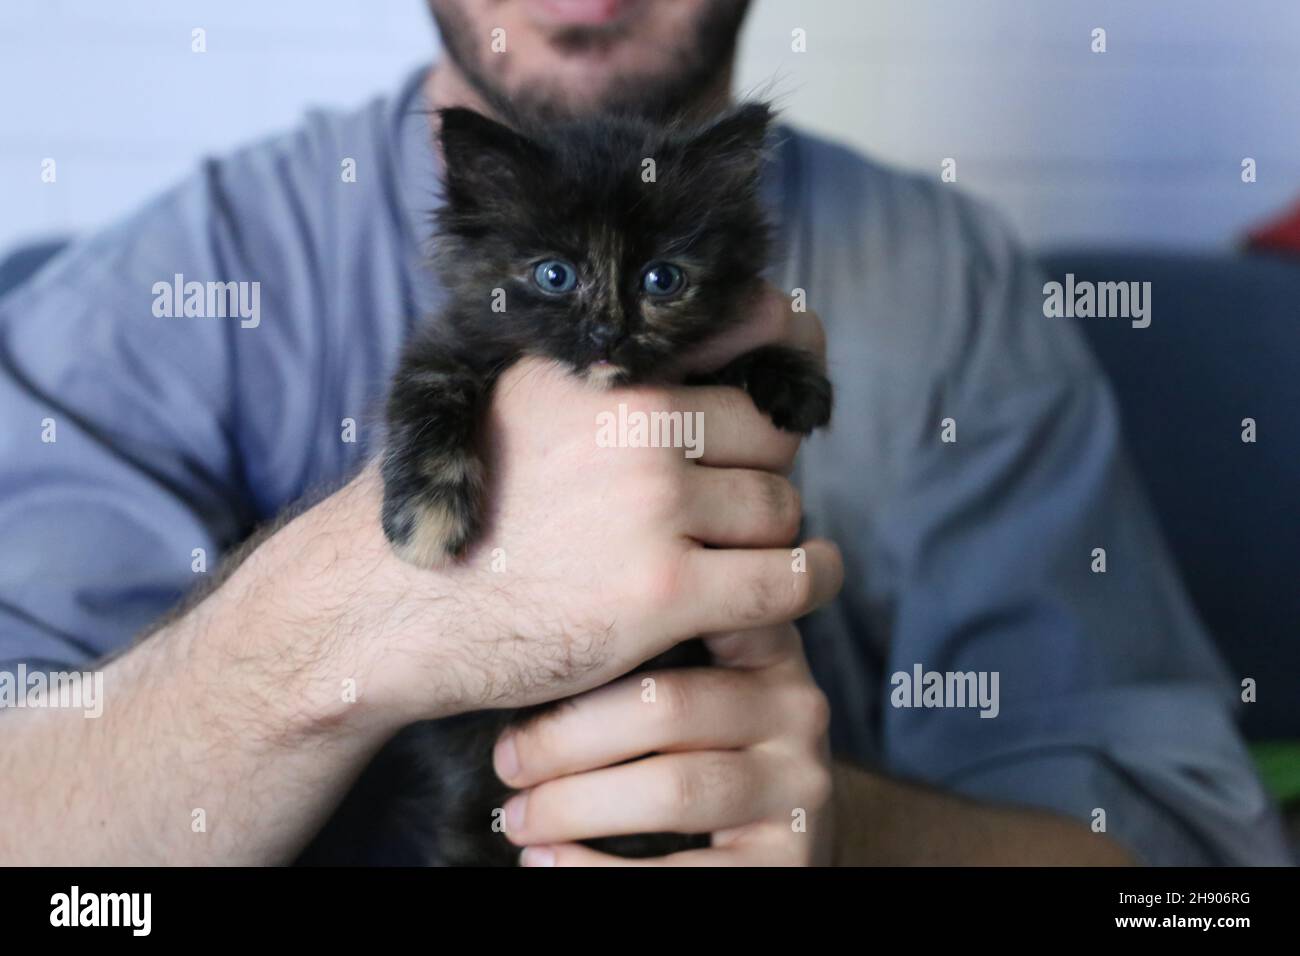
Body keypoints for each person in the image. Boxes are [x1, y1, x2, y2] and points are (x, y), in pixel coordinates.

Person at [0, 0, 1286, 866]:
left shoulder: (948, 282)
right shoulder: (194, 270)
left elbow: (1187, 875)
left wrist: (845, 829)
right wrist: (340, 625)